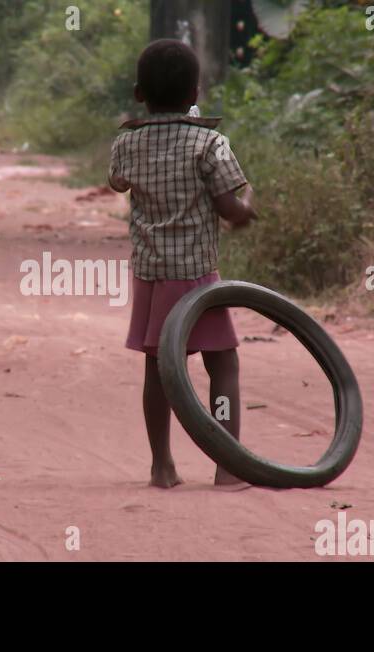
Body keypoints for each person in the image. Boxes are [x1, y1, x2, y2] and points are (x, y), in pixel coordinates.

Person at [109, 39, 258, 488]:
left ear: (139, 93)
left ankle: (162, 466)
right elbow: (229, 208)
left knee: (159, 369)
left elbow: (117, 183)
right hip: (197, 278)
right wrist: (247, 208)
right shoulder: (209, 142)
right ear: (196, 94)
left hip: (152, 276)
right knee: (222, 364)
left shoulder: (127, 145)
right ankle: (228, 465)